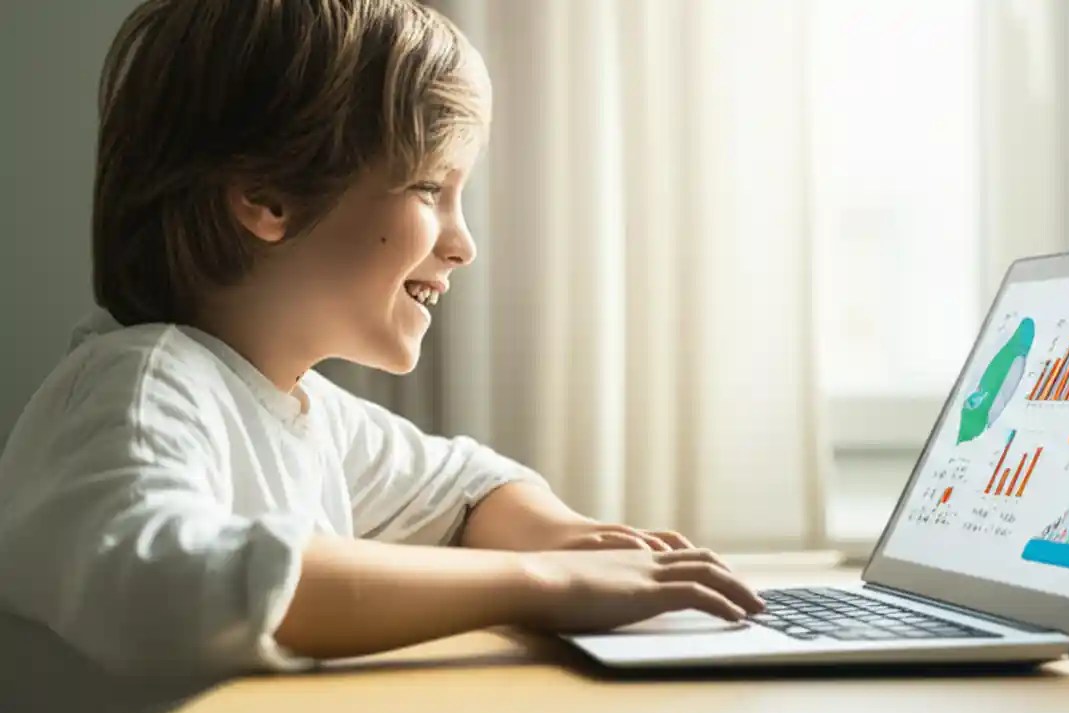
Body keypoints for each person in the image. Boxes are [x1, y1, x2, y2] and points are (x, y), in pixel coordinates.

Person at [0, 0, 763, 678]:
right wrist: (542, 582)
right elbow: (167, 588)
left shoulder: (294, 405)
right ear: (267, 198)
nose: (463, 244)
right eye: (432, 189)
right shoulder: (137, 386)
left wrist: (574, 543)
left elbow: (466, 490)